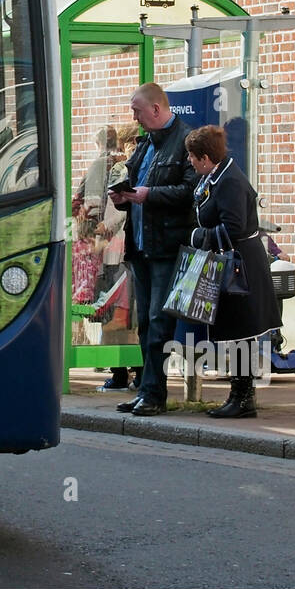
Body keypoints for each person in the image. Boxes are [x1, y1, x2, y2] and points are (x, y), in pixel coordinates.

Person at [107, 83, 197, 414]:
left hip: (167, 247)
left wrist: (148, 195)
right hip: (142, 247)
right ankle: (146, 389)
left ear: (156, 109)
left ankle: (155, 394)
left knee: (159, 321)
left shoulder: (185, 141)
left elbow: (190, 191)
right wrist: (122, 197)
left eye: (137, 111)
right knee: (145, 321)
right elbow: (132, 183)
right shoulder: (146, 145)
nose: (135, 118)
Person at [184, 124, 281, 418]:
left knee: (243, 333)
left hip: (241, 266)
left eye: (191, 156)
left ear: (203, 157)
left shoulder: (230, 182)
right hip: (235, 261)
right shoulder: (218, 175)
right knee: (238, 333)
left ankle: (243, 397)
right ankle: (239, 395)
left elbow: (235, 227)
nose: (189, 161)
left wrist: (197, 237)